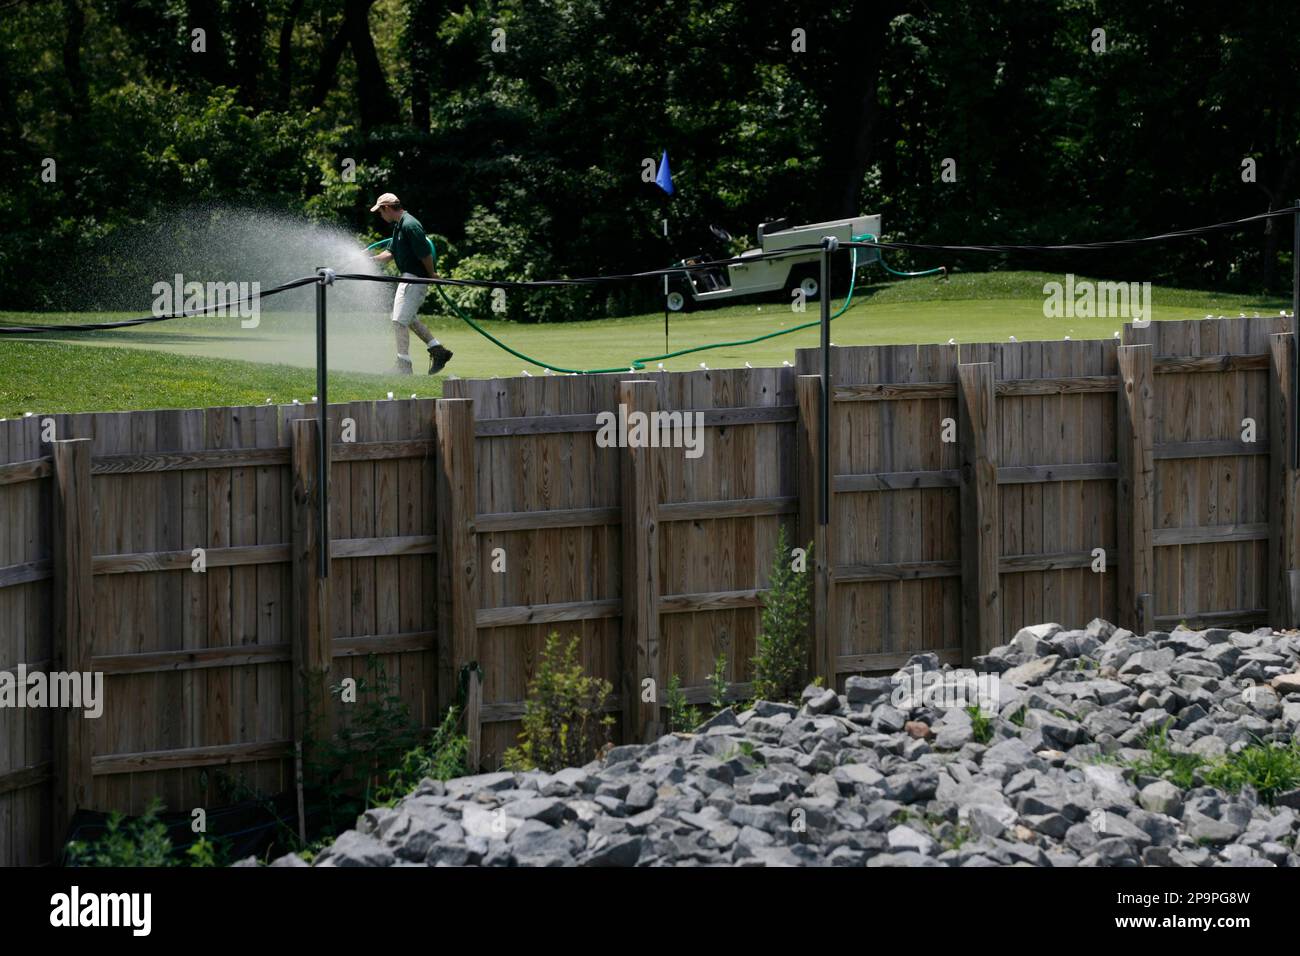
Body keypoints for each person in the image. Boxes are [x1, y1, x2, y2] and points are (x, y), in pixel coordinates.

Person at [369, 192, 454, 375]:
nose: (380, 215)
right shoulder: (399, 226)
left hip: (414, 279)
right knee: (409, 319)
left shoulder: (410, 225)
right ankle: (439, 351)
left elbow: (425, 253)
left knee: (399, 321)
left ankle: (404, 365)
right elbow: (389, 254)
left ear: (387, 208)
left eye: (380, 211)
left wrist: (431, 274)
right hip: (407, 278)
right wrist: (370, 258)